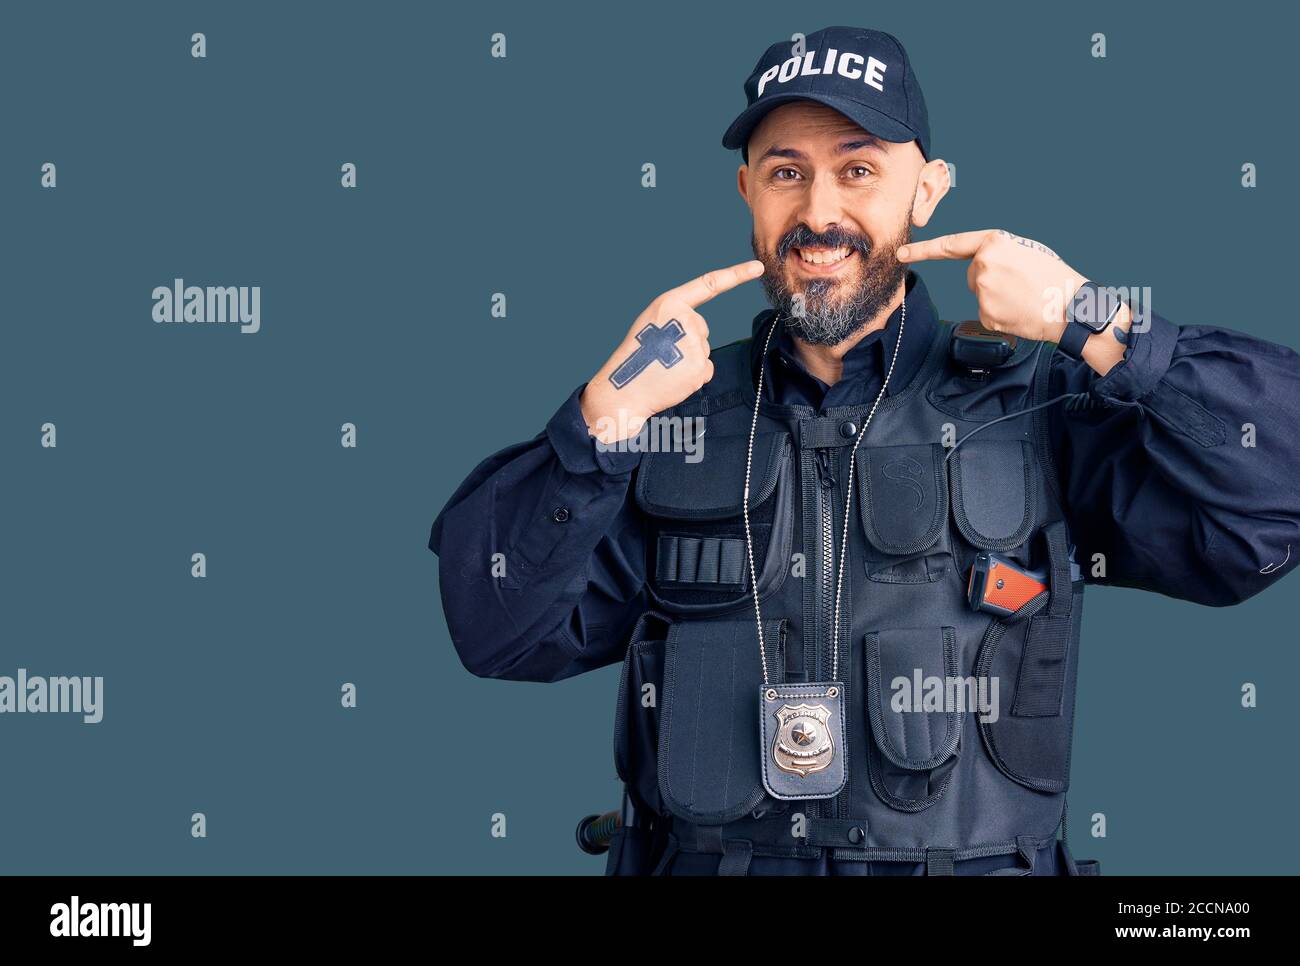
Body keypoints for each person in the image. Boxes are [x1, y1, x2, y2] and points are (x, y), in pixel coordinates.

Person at [429, 25, 1300, 875]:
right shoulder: (669, 417)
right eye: (785, 173)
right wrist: (597, 424)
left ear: (928, 191)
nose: (819, 213)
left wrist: (1100, 320)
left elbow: (1271, 501)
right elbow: (497, 634)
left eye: (858, 170)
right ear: (746, 194)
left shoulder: (1042, 403)